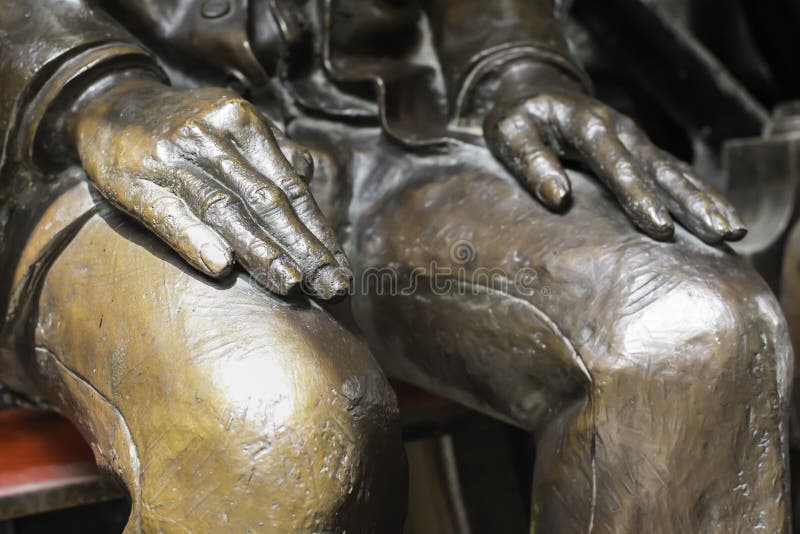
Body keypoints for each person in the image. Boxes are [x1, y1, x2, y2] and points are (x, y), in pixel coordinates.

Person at [0, 0, 791, 531]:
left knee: (694, 336)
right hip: (88, 151)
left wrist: (516, 63)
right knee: (275, 430)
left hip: (388, 129)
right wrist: (91, 90)